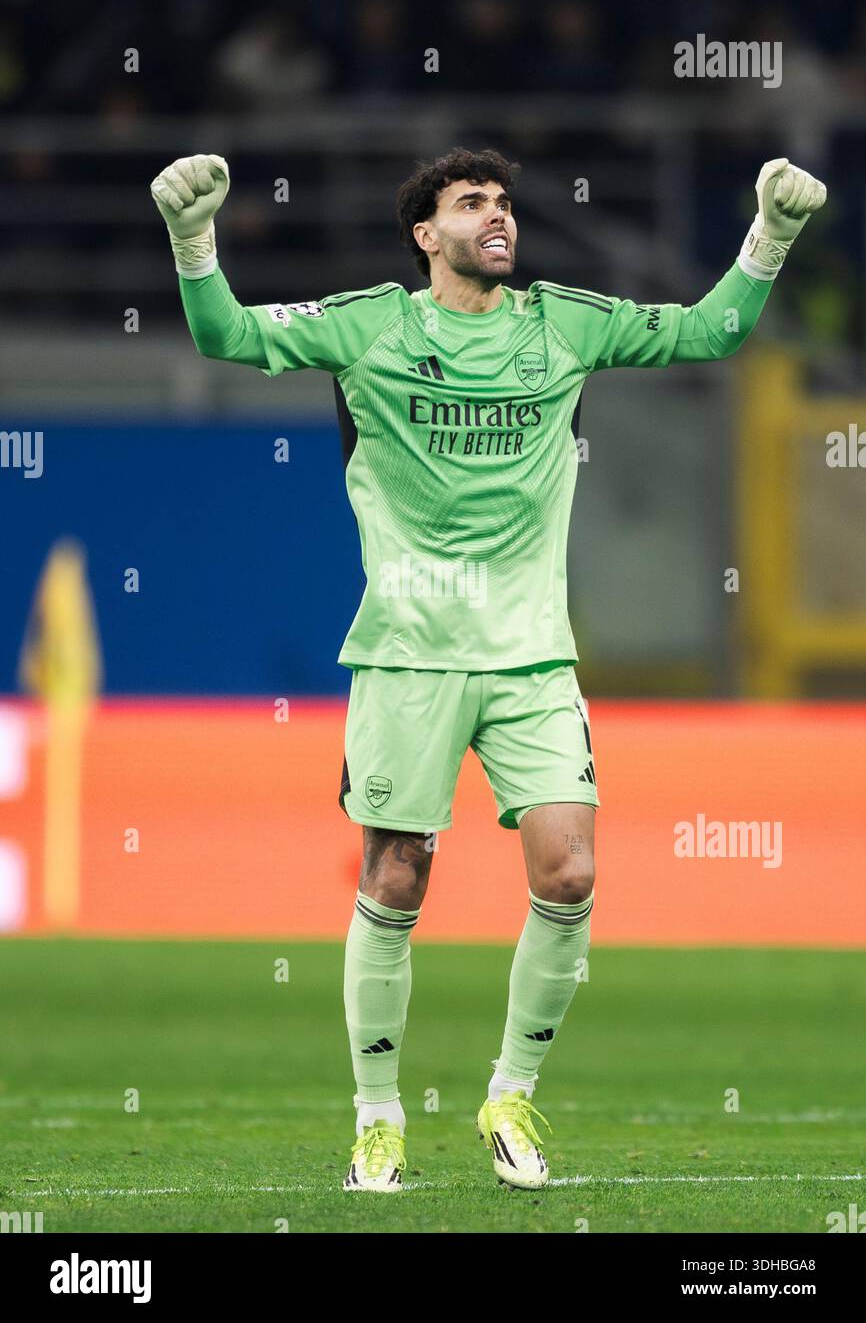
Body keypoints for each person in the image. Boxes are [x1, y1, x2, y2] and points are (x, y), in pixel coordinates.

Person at [151, 146, 826, 1192]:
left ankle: (509, 1095)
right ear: (425, 235)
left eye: (505, 201)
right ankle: (377, 1118)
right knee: (395, 875)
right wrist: (193, 242)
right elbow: (227, 335)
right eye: (471, 203)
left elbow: (711, 330)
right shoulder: (370, 325)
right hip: (407, 653)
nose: (496, 215)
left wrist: (768, 236)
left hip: (529, 656)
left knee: (570, 870)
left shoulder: (563, 321)